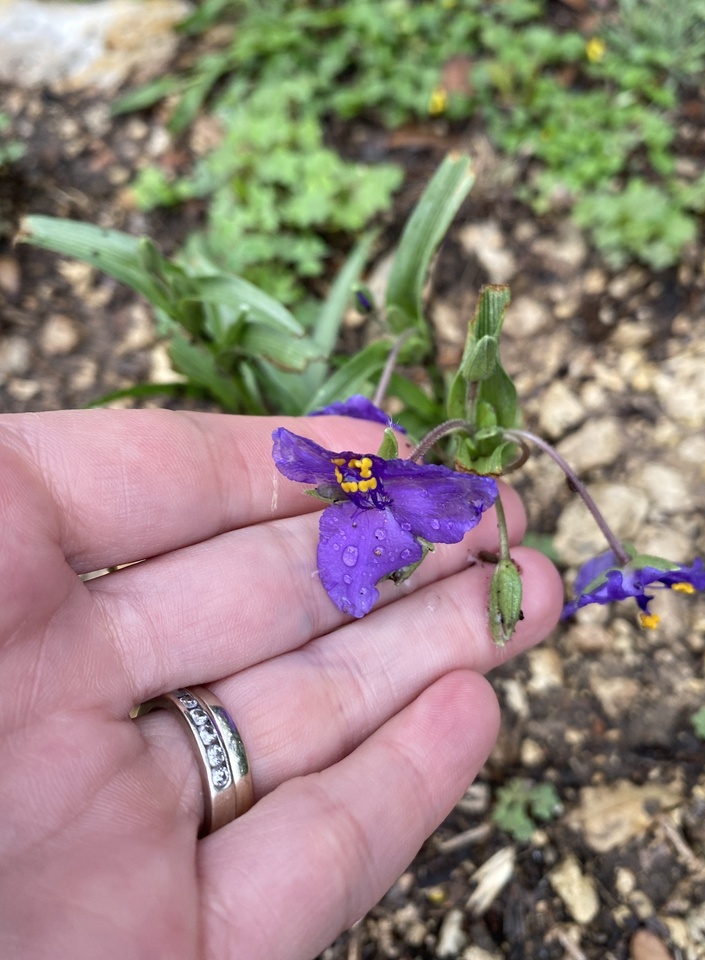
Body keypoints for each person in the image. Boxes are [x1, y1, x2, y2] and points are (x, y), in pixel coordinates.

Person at [0, 408, 562, 960]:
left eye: (359, 476)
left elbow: (430, 492)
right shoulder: (353, 483)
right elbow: (313, 466)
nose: (356, 481)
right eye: (350, 477)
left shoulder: (403, 485)